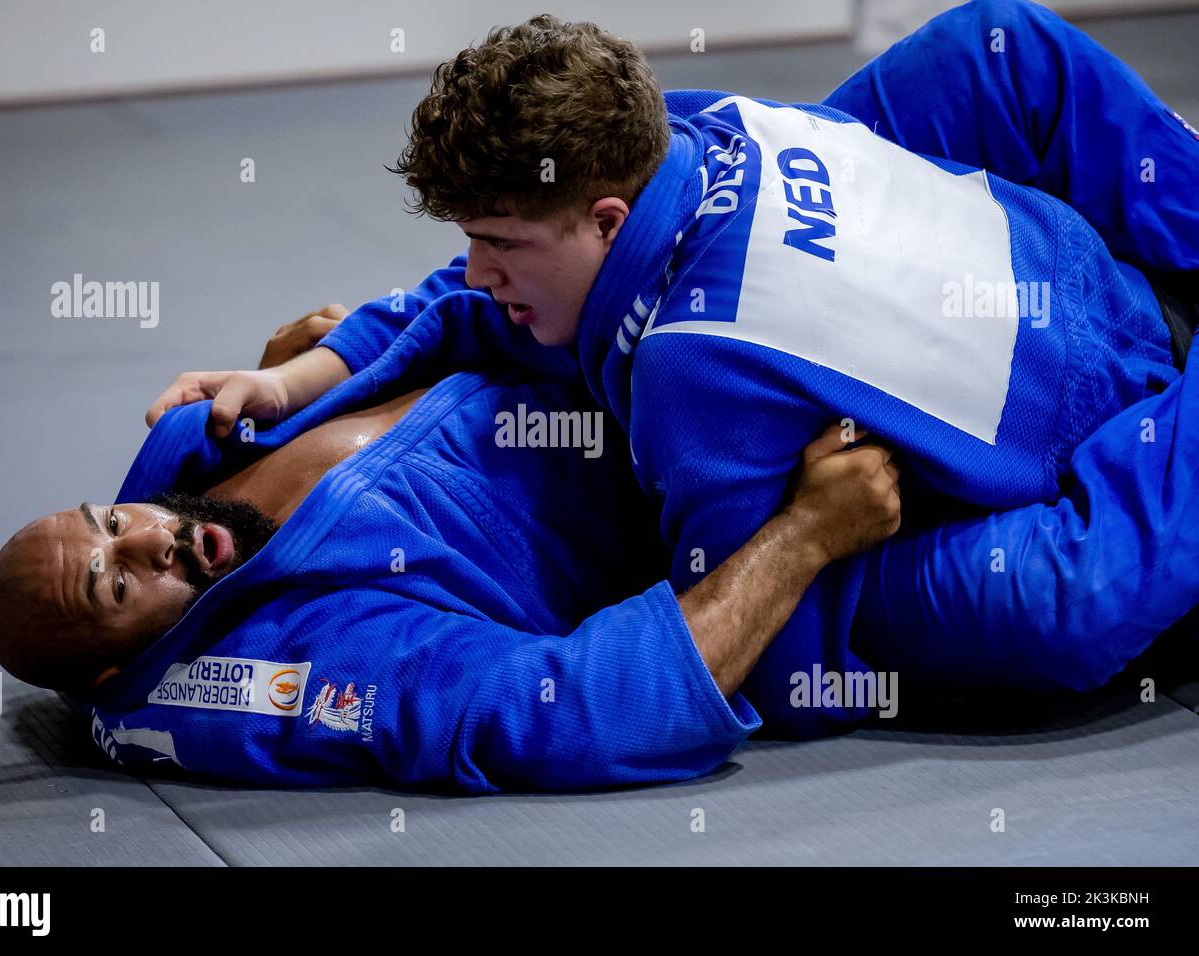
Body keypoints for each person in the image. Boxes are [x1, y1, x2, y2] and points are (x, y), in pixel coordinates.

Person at [148, 1, 1199, 735]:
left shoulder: (687, 379)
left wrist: (812, 526)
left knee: (1052, 606)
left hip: (1103, 422)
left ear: (603, 219)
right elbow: (469, 295)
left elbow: (760, 642)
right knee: (992, 46)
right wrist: (301, 376)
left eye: (499, 242)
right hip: (1067, 259)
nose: (475, 270)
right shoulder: (691, 124)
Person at [0, 301, 900, 792]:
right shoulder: (284, 677)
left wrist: (323, 365)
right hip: (736, 501)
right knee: (1029, 595)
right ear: (112, 674)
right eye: (116, 588)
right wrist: (805, 536)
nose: (146, 541)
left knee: (992, 56)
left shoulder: (181, 463)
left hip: (630, 343)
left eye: (109, 521)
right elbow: (569, 717)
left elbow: (412, 315)